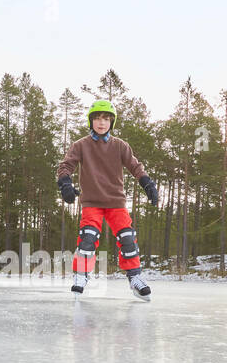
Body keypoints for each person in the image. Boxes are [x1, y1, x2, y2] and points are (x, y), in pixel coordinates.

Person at [55, 99, 160, 299]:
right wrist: (65, 184)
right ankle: (81, 276)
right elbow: (65, 166)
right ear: (91, 121)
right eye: (97, 118)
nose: (101, 123)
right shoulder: (81, 145)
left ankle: (135, 278)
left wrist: (148, 184)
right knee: (88, 237)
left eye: (105, 119)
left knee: (127, 238)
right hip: (92, 202)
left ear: (112, 122)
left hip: (115, 202)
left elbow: (135, 167)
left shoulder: (120, 146)